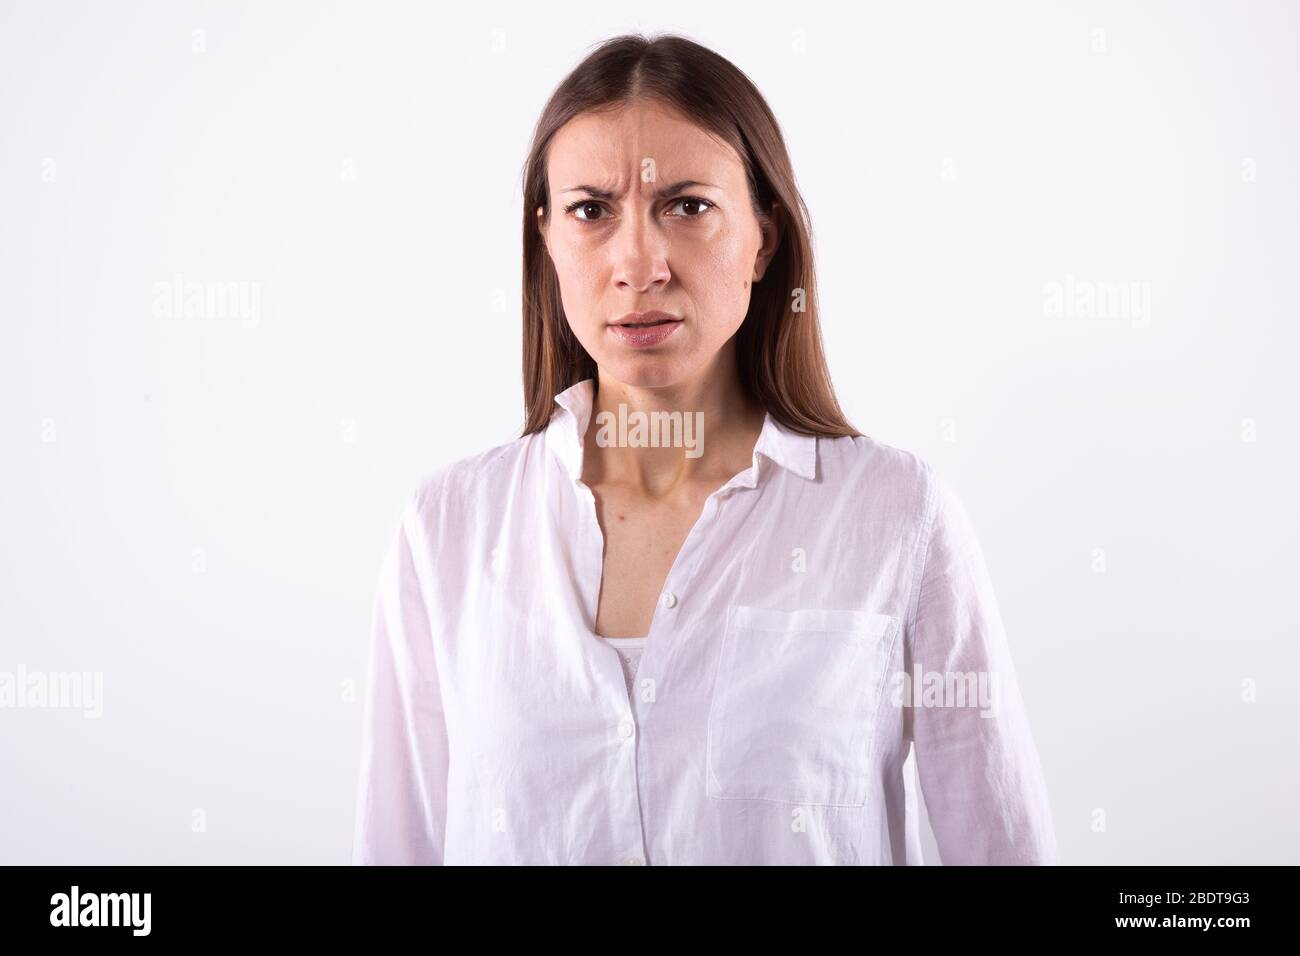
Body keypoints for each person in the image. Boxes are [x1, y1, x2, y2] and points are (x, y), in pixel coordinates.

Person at [350, 32, 1057, 865]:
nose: (639, 264)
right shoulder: (449, 532)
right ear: (545, 237)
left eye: (687, 206)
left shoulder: (896, 518)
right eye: (591, 210)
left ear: (763, 236)